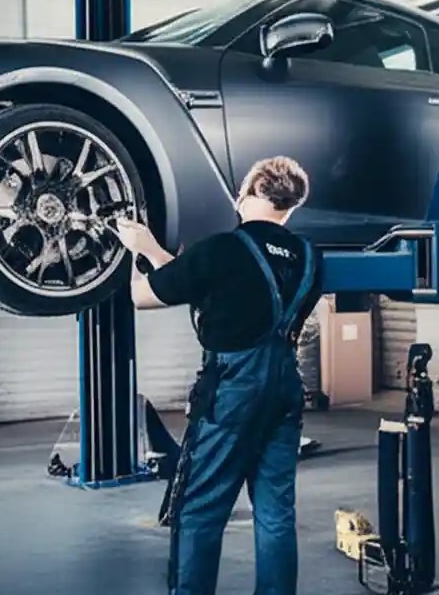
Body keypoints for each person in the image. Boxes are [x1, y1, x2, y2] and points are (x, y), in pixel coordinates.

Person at [112, 156, 323, 595]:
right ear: (290, 205)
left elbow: (143, 296)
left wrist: (136, 249)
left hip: (233, 390)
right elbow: (213, 286)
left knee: (200, 509)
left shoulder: (223, 248)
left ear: (252, 192)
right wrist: (157, 253)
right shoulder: (308, 257)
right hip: (285, 387)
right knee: (276, 513)